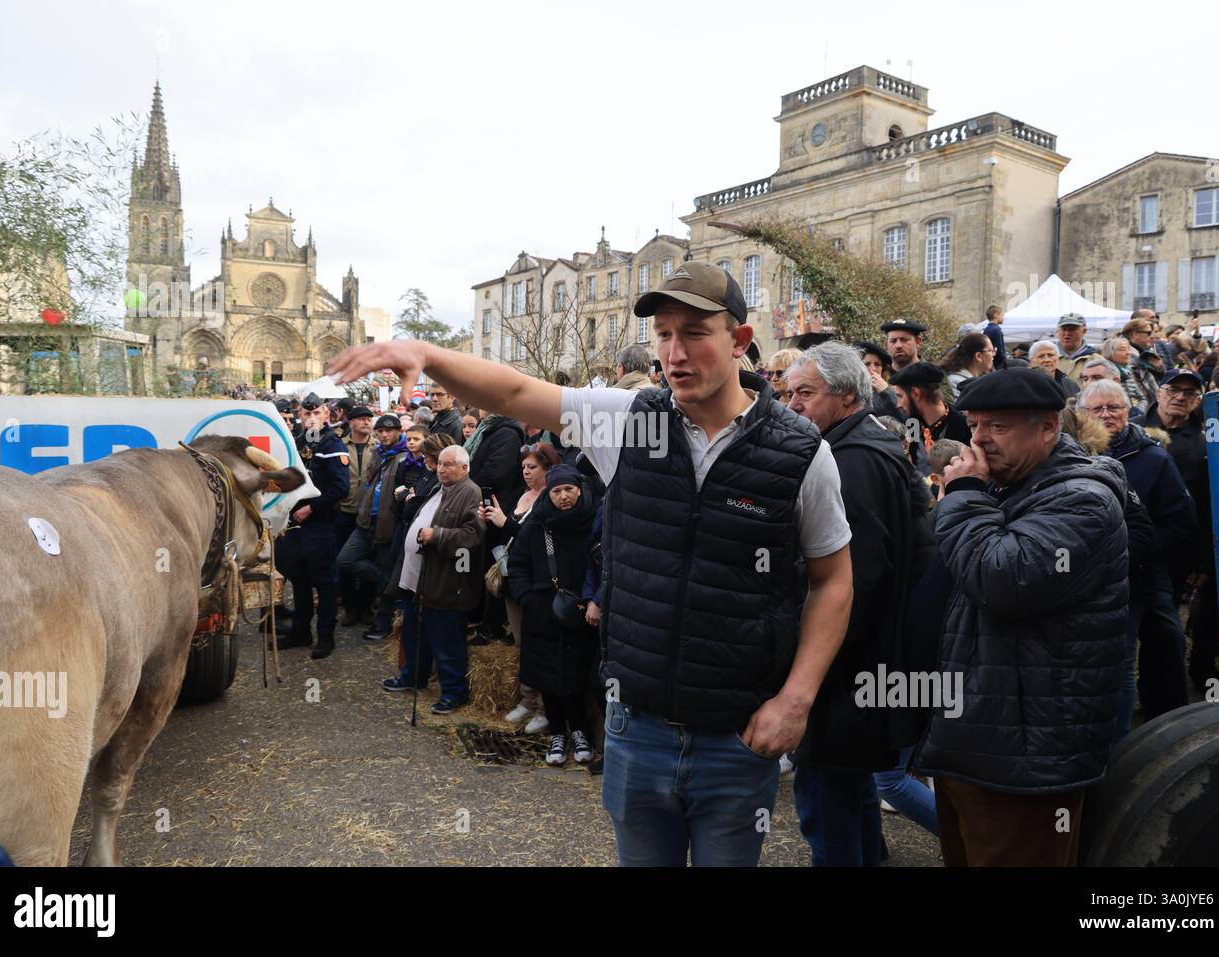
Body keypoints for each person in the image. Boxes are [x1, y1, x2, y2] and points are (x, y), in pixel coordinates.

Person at [328, 259, 854, 868]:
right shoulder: (629, 420)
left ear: (739, 341)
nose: (674, 352)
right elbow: (516, 391)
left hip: (736, 735)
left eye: (694, 333)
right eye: (662, 334)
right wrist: (428, 353)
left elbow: (834, 581)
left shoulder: (800, 451)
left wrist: (796, 699)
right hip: (638, 729)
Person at [914, 369, 1129, 866]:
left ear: (1049, 428)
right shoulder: (1007, 485)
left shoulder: (1083, 499)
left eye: (999, 426)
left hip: (1029, 756)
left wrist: (964, 496)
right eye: (974, 425)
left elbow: (1001, 579)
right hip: (979, 738)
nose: (981, 439)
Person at [785, 342, 937, 865]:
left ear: (848, 395)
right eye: (788, 394)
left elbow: (859, 579)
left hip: (848, 670)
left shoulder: (850, 462)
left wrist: (814, 661)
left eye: (806, 393)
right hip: (866, 666)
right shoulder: (868, 445)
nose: (793, 405)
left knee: (828, 803)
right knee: (852, 792)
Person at [1080, 380, 1196, 723]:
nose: (1106, 415)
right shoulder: (1072, 455)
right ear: (1081, 414)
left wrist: (1139, 554)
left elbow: (1180, 521)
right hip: (1089, 576)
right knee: (1109, 658)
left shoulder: (1153, 457)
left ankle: (1169, 727)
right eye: (1096, 408)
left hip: (1144, 570)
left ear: (1128, 410)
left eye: (1113, 407)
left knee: (1166, 640)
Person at [380, 444, 485, 714]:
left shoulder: (470, 493)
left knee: (446, 639)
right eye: (440, 463)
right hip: (417, 580)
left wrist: (436, 535)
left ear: (464, 468)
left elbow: (471, 538)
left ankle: (453, 693)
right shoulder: (440, 489)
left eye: (448, 464)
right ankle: (413, 677)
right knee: (414, 633)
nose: (441, 468)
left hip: (446, 583)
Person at [507, 464, 600, 766]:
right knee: (548, 676)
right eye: (557, 490)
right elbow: (517, 563)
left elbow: (602, 563)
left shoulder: (593, 520)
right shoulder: (538, 523)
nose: (563, 497)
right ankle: (557, 732)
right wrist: (528, 599)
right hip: (542, 611)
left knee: (576, 674)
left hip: (580, 612)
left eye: (568, 490)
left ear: (579, 489)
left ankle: (580, 732)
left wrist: (592, 599)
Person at [1144, 369, 1218, 694]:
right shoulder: (1130, 427)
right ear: (1159, 392)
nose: (1180, 397)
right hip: (1124, 546)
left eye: (1189, 393)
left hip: (1172, 554)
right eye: (1174, 389)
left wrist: (1202, 562)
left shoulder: (1202, 445)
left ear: (1197, 400)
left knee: (1163, 631)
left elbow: (1206, 507)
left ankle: (1157, 697)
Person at [483, 442, 563, 731]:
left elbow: (540, 539)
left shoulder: (553, 497)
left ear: (548, 468)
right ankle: (527, 700)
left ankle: (544, 707)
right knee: (521, 643)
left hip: (539, 581)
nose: (527, 473)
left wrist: (505, 522)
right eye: (524, 468)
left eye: (533, 467)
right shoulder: (524, 494)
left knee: (541, 645)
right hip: (514, 577)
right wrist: (494, 520)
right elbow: (513, 535)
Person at [276, 392, 352, 659]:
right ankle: (300, 631)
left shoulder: (332, 445)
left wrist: (312, 507)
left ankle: (325, 637)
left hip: (320, 525)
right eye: (306, 414)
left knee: (325, 584)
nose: (310, 418)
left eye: (316, 413)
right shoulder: (293, 443)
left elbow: (341, 487)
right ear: (300, 416)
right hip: (296, 526)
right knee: (299, 580)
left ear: (326, 415)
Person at [338, 413, 407, 641]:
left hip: (387, 525)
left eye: (390, 430)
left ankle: (381, 624)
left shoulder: (405, 458)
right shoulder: (378, 453)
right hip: (365, 520)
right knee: (345, 560)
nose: (385, 434)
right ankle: (383, 581)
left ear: (398, 432)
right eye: (381, 431)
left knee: (385, 569)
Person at [464, 409, 528, 645]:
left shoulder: (507, 433)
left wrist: (465, 483)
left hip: (501, 511)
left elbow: (494, 473)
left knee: (499, 569)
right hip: (487, 509)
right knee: (486, 566)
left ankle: (495, 626)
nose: (482, 407)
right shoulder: (486, 430)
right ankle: (484, 620)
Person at [337, 405, 379, 626]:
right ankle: (350, 607)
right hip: (345, 511)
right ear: (351, 422)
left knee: (367, 560)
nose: (366, 422)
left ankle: (366, 605)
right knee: (343, 563)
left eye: (368, 419)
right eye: (361, 419)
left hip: (369, 513)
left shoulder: (378, 446)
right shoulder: (340, 446)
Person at [889, 361, 972, 471]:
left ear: (916, 393)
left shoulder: (964, 427)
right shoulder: (912, 423)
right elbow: (913, 462)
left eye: (900, 396)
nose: (898, 404)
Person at [939, 333, 995, 397]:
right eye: (990, 350)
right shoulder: (957, 382)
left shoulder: (973, 380)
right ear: (978, 356)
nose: (993, 354)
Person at [1054, 313, 1096, 383]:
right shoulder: (1046, 358)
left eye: (1072, 329)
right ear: (1058, 331)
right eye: (1063, 329)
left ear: (1084, 331)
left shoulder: (1096, 360)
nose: (1067, 333)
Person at [983, 305, 1007, 370]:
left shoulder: (986, 329)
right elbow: (1000, 349)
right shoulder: (996, 330)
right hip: (998, 364)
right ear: (996, 315)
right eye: (1002, 315)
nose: (1003, 318)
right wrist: (1005, 363)